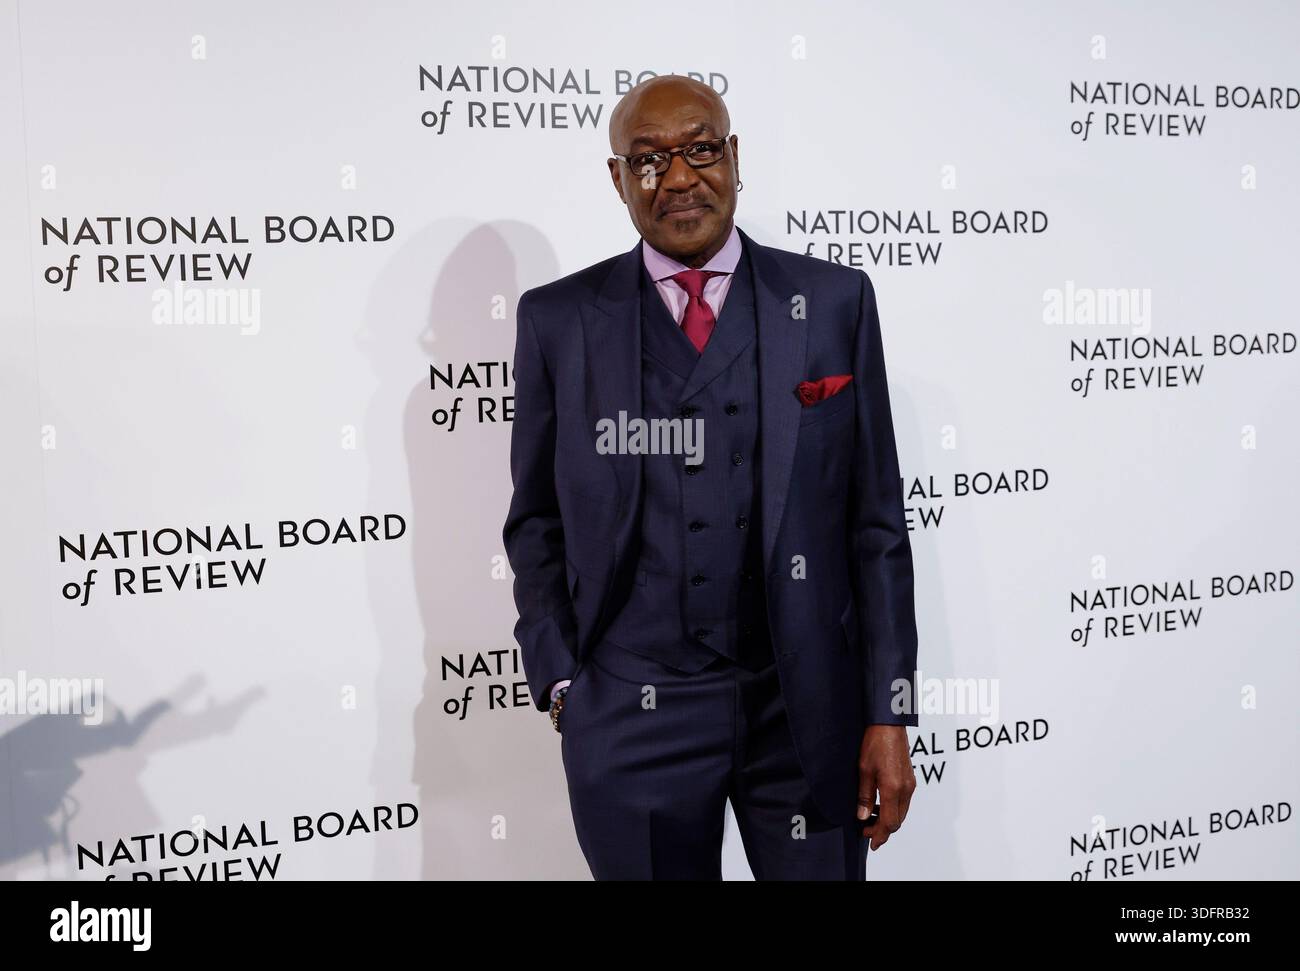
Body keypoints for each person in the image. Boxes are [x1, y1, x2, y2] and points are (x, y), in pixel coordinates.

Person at [502, 75, 918, 880]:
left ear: (734, 158)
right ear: (619, 179)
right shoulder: (558, 319)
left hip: (804, 709)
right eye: (649, 159)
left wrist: (888, 710)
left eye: (700, 148)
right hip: (634, 710)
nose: (680, 176)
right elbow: (536, 519)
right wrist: (564, 685)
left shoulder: (833, 301)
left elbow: (876, 526)